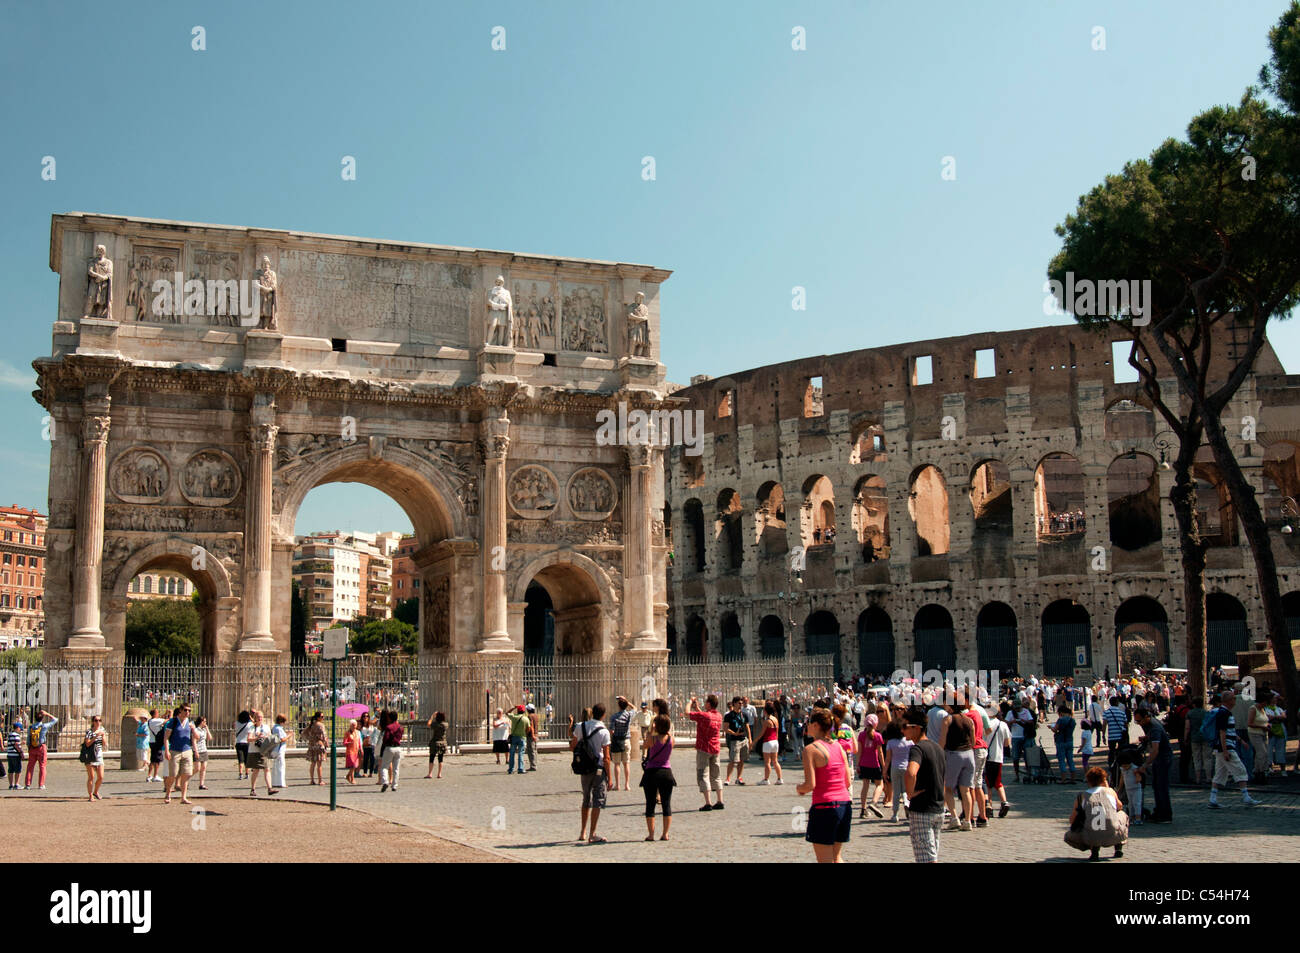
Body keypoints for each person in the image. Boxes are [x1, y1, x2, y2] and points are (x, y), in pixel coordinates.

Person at [796, 707, 853, 863]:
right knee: (837, 857)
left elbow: (810, 784)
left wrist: (799, 788)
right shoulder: (839, 747)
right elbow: (847, 781)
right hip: (844, 804)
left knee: (825, 859)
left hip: (825, 806)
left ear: (816, 725)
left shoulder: (810, 749)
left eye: (808, 722)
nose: (806, 725)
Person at [902, 707, 946, 863]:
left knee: (926, 858)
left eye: (906, 726)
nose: (903, 730)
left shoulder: (917, 749)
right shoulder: (937, 748)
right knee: (932, 853)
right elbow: (943, 777)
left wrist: (909, 793)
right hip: (938, 807)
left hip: (922, 809)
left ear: (917, 728)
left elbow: (911, 772)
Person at [1208, 690, 1259, 809]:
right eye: (1233, 699)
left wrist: (1240, 740)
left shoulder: (1226, 713)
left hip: (1223, 747)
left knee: (1220, 773)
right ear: (1228, 701)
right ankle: (1246, 797)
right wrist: (1225, 750)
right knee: (1240, 770)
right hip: (1227, 747)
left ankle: (1213, 798)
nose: (1235, 701)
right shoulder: (1224, 713)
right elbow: (1222, 732)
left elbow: (1229, 731)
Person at [1064, 766, 1128, 860]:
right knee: (1122, 814)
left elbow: (1072, 820)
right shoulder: (1110, 791)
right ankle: (1118, 846)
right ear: (1103, 780)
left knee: (1070, 835)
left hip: (1090, 836)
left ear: (1088, 781)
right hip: (1112, 836)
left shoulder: (1082, 796)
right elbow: (1120, 806)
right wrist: (1107, 788)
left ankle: (1094, 850)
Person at [569, 704, 612, 844]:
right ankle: (592, 834)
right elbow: (606, 757)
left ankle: (582, 832)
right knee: (597, 801)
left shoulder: (580, 726)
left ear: (593, 713)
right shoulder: (604, 731)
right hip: (598, 768)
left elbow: (573, 746)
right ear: (604, 715)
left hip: (584, 767)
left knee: (586, 798)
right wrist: (610, 777)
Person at [938, 699, 976, 831]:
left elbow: (942, 742)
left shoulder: (947, 720)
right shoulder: (968, 720)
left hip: (954, 754)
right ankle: (967, 820)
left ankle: (954, 818)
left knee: (948, 788)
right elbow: (974, 740)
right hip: (969, 754)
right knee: (966, 790)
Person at [1133, 708, 1173, 823]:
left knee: (1162, 787)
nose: (1138, 724)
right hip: (1159, 759)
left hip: (1163, 759)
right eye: (1136, 722)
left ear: (1146, 717)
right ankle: (1159, 811)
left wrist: (1144, 765)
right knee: (1156, 785)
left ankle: (1165, 815)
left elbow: (1155, 750)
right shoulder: (1149, 724)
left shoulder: (1154, 727)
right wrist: (1145, 738)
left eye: (1139, 721)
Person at [641, 714, 676, 842]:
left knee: (650, 804)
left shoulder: (652, 739)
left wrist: (651, 730)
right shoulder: (671, 739)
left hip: (651, 772)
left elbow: (644, 746)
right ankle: (665, 834)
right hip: (666, 772)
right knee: (666, 804)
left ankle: (651, 834)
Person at [687, 694, 725, 810]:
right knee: (716, 775)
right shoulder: (718, 716)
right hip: (716, 748)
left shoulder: (704, 716)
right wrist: (697, 708)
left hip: (704, 748)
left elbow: (687, 713)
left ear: (709, 703)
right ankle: (720, 800)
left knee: (703, 775)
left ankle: (708, 802)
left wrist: (690, 702)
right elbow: (705, 716)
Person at [984, 706, 1011, 818]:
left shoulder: (984, 724)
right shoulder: (1002, 725)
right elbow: (1007, 743)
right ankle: (1004, 802)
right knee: (998, 782)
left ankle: (989, 805)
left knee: (987, 783)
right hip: (998, 757)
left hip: (986, 756)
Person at [884, 718, 913, 822]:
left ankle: (895, 814)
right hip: (907, 767)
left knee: (896, 791)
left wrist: (884, 771)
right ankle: (906, 802)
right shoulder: (909, 742)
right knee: (906, 790)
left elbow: (888, 759)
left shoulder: (891, 743)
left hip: (895, 767)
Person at [23, 708, 58, 790]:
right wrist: (47, 714)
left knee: (30, 767)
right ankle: (41, 784)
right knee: (42, 766)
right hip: (41, 747)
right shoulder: (44, 726)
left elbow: (28, 739)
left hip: (32, 748)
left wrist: (29, 748)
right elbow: (55, 720)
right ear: (42, 718)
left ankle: (27, 784)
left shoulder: (31, 727)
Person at [246, 710, 275, 796]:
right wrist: (257, 738)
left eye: (261, 717)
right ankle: (253, 789)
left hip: (264, 751)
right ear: (255, 718)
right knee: (256, 770)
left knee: (267, 769)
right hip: (254, 751)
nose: (260, 718)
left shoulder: (266, 727)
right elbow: (248, 739)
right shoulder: (252, 727)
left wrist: (265, 737)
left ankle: (270, 788)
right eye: (258, 717)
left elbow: (270, 737)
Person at [723, 697, 751, 786]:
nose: (741, 704)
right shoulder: (729, 715)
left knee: (742, 760)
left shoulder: (744, 714)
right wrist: (734, 733)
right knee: (733, 760)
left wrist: (750, 739)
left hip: (743, 739)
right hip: (734, 740)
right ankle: (728, 778)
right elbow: (725, 728)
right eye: (739, 703)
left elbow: (747, 727)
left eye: (741, 703)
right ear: (734, 703)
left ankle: (739, 777)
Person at [608, 697, 634, 790]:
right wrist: (627, 701)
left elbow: (611, 730)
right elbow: (634, 708)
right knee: (626, 763)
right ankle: (627, 785)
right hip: (626, 740)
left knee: (617, 763)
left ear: (618, 705)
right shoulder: (629, 715)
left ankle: (617, 785)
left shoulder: (614, 717)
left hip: (617, 741)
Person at [757, 700, 784, 785]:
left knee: (767, 762)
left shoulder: (766, 721)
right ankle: (780, 778)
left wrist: (754, 741)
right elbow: (777, 731)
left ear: (765, 711)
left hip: (768, 742)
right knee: (775, 761)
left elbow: (762, 733)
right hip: (775, 741)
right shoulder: (775, 719)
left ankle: (766, 779)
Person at [1247, 695, 1272, 782]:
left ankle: (1257, 771)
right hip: (1255, 733)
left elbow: (1264, 720)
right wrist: (1261, 726)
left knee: (1261, 754)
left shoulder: (1262, 709)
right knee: (1262, 752)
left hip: (1264, 734)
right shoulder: (1253, 709)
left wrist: (1267, 725)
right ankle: (1262, 771)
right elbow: (1249, 723)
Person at [82, 715, 106, 802]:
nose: (98, 722)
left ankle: (96, 791)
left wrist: (102, 736)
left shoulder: (102, 730)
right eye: (96, 720)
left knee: (101, 777)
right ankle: (90, 795)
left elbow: (104, 744)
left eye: (100, 720)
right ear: (93, 722)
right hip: (91, 755)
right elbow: (87, 743)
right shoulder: (89, 732)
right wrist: (95, 736)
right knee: (91, 776)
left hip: (99, 755)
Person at [379, 709, 404, 792]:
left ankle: (385, 781)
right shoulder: (400, 727)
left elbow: (385, 738)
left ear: (390, 718)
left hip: (389, 747)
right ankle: (394, 785)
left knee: (384, 766)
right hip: (398, 747)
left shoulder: (388, 727)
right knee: (396, 768)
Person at [1052, 705, 1078, 782]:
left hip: (1061, 741)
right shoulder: (1072, 720)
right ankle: (1073, 778)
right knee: (1070, 760)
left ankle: (1063, 779)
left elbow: (1055, 729)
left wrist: (1051, 727)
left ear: (1061, 713)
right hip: (1070, 740)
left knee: (1062, 760)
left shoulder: (1060, 720)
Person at [304, 712, 327, 785]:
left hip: (312, 745)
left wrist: (310, 739)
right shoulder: (320, 725)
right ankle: (320, 780)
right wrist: (325, 742)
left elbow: (304, 733)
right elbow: (323, 735)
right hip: (319, 745)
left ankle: (312, 780)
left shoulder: (311, 725)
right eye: (322, 716)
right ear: (318, 717)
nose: (323, 718)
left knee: (313, 763)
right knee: (319, 763)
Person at [270, 714, 290, 790]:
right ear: (282, 722)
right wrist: (289, 735)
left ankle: (275, 782)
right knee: (281, 766)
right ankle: (281, 783)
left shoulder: (274, 727)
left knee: (275, 766)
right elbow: (282, 739)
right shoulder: (279, 729)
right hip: (279, 749)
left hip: (274, 749)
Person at [146, 709, 166, 783]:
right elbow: (166, 721)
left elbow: (160, 719)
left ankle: (149, 775)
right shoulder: (155, 721)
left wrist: (164, 714)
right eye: (157, 713)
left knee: (153, 759)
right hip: (156, 741)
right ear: (154, 714)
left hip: (152, 741)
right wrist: (170, 715)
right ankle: (155, 775)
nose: (159, 714)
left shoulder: (150, 721)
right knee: (157, 760)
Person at [193, 715, 212, 790]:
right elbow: (194, 741)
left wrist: (207, 729)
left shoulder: (204, 730)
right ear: (201, 722)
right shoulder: (196, 730)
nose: (206, 723)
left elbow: (209, 738)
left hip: (204, 750)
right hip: (198, 750)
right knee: (197, 768)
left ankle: (201, 784)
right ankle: (185, 778)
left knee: (203, 768)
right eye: (205, 721)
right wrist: (196, 751)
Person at [233, 710, 252, 781]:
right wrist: (251, 718)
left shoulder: (237, 723)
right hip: (246, 743)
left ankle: (240, 774)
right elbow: (254, 724)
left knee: (240, 760)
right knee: (247, 760)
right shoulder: (249, 724)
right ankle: (247, 774)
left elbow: (234, 726)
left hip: (238, 743)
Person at [360, 713, 377, 778]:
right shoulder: (361, 725)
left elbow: (377, 719)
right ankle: (365, 772)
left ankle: (371, 772)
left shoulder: (371, 725)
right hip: (364, 743)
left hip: (372, 743)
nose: (365, 717)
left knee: (372, 758)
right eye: (364, 716)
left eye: (367, 716)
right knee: (365, 758)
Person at [5, 719, 22, 789]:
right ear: (17, 728)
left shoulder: (10, 735)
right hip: (15, 755)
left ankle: (11, 785)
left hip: (9, 754)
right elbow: (16, 745)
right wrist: (21, 752)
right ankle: (17, 784)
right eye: (20, 729)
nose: (20, 730)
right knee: (18, 770)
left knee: (10, 770)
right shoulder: (17, 735)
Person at [344, 719, 362, 784]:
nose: (354, 726)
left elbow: (359, 742)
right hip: (350, 751)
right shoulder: (347, 733)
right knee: (353, 765)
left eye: (355, 725)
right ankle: (352, 778)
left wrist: (361, 749)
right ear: (350, 725)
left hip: (356, 751)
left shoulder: (357, 732)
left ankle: (348, 776)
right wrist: (349, 742)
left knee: (354, 765)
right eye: (353, 725)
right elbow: (344, 742)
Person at [526, 704, 540, 771]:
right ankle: (535, 764)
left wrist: (532, 735)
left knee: (530, 750)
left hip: (531, 735)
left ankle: (533, 765)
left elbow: (531, 726)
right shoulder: (536, 716)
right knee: (535, 750)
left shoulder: (529, 716)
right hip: (536, 734)